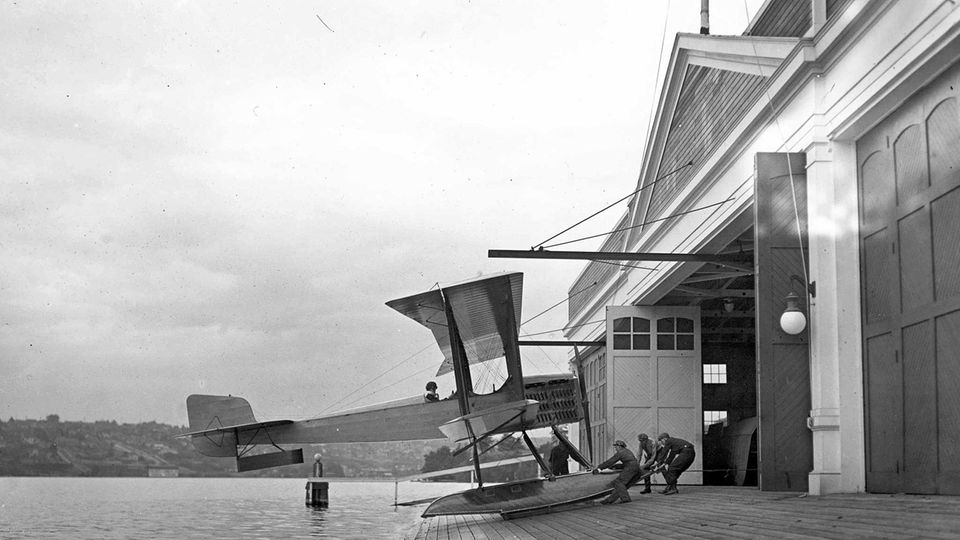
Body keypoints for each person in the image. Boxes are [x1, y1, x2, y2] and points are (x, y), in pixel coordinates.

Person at [592, 440, 639, 504]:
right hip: (636, 468)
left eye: (616, 446)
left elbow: (610, 462)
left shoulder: (620, 452)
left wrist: (599, 468)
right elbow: (629, 461)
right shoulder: (627, 451)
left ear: (619, 446)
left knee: (618, 482)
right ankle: (609, 500)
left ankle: (626, 499)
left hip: (630, 468)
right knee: (620, 486)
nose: (615, 448)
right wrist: (616, 466)